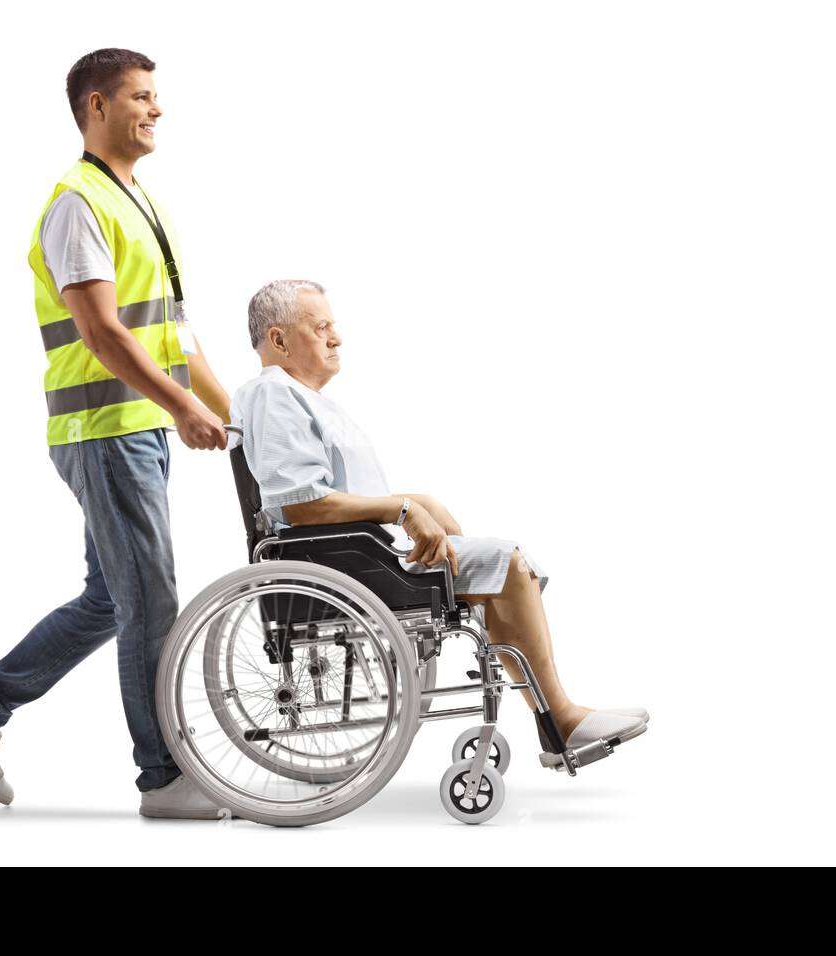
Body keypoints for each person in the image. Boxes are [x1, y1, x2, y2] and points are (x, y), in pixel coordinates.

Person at [0, 48, 235, 821]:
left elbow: (172, 331)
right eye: (141, 97)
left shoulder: (138, 200)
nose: (156, 109)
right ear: (96, 106)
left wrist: (227, 410)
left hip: (133, 428)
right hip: (106, 428)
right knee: (150, 602)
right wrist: (179, 407)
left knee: (111, 599)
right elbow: (101, 333)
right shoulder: (77, 202)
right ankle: (163, 778)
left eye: (157, 97)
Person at [229, 280, 650, 753]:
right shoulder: (274, 394)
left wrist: (418, 500)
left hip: (358, 553)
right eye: (321, 326)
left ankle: (556, 722)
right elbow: (302, 506)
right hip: (340, 564)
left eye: (333, 326)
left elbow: (335, 494)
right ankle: (561, 720)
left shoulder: (299, 397)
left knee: (497, 565)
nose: (336, 337)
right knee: (505, 562)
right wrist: (403, 508)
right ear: (280, 340)